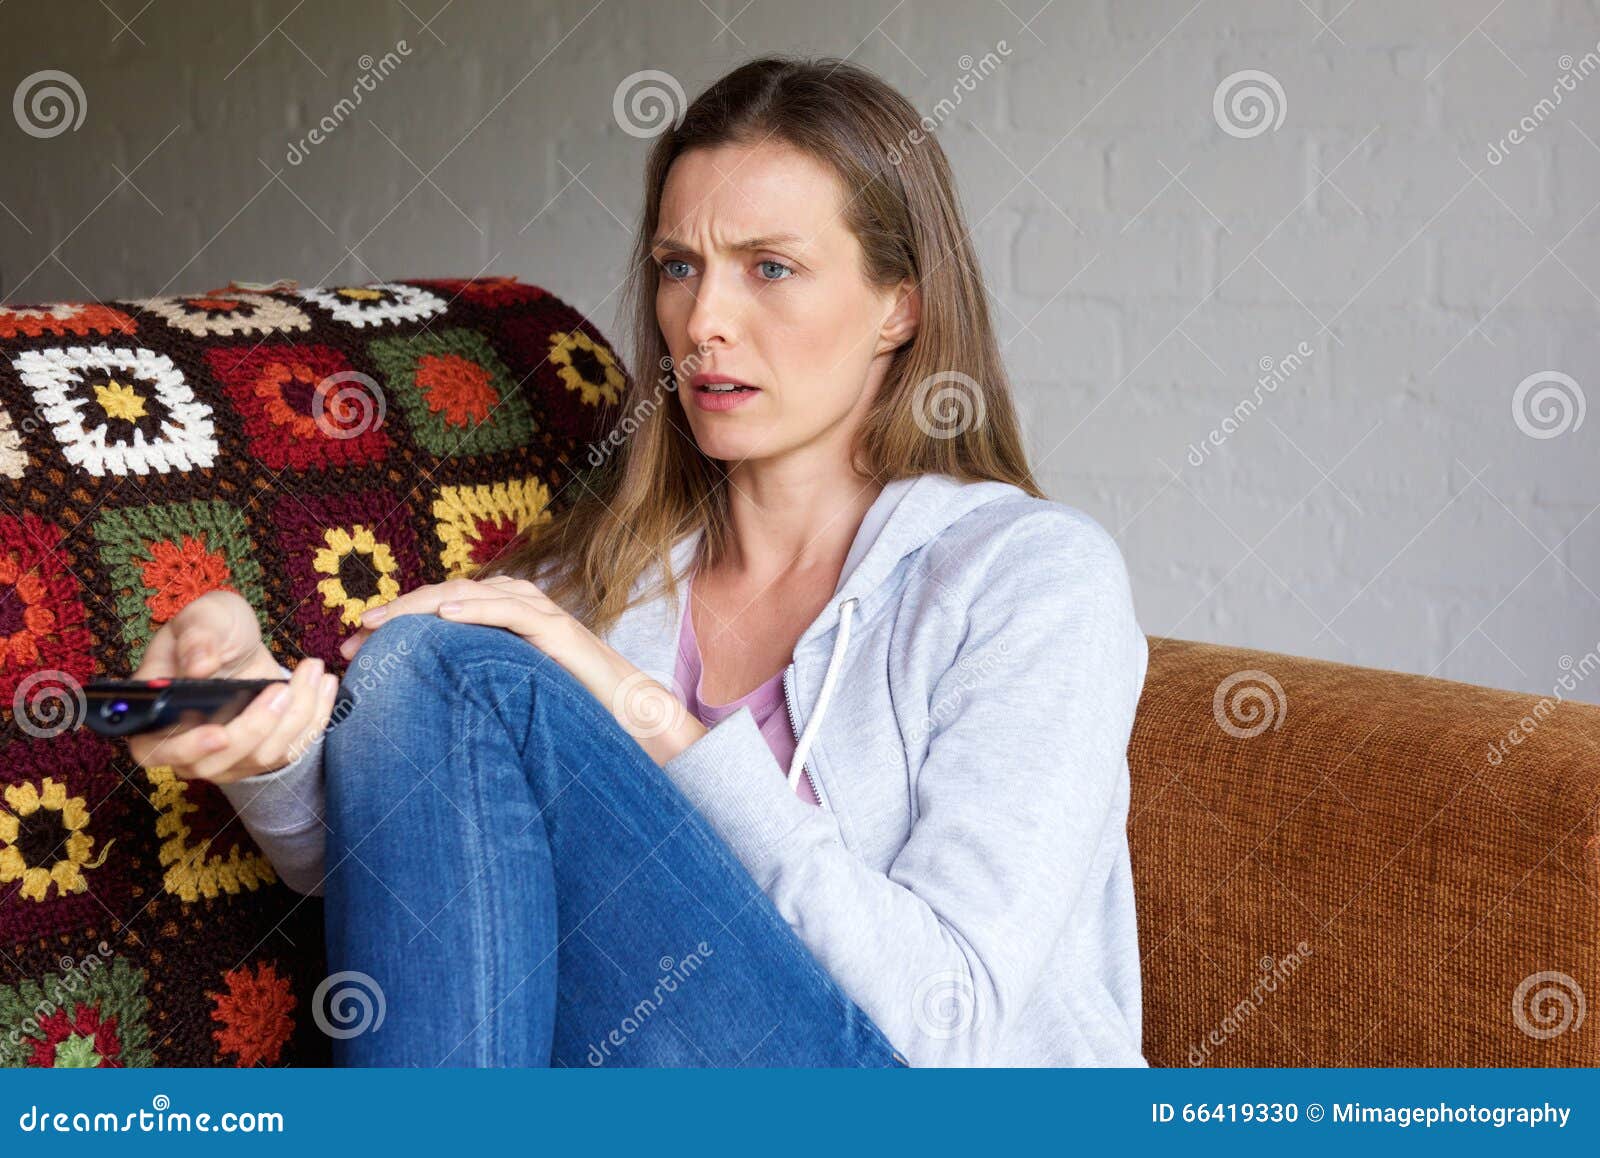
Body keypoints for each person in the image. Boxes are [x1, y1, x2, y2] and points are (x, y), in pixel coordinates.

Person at [128, 55, 1149, 1068]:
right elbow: (426, 883)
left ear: (901, 307)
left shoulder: (1030, 578)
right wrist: (259, 726)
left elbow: (947, 1022)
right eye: (678, 266)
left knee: (454, 660)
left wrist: (640, 710)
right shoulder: (605, 580)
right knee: (423, 656)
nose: (703, 323)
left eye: (770, 268)